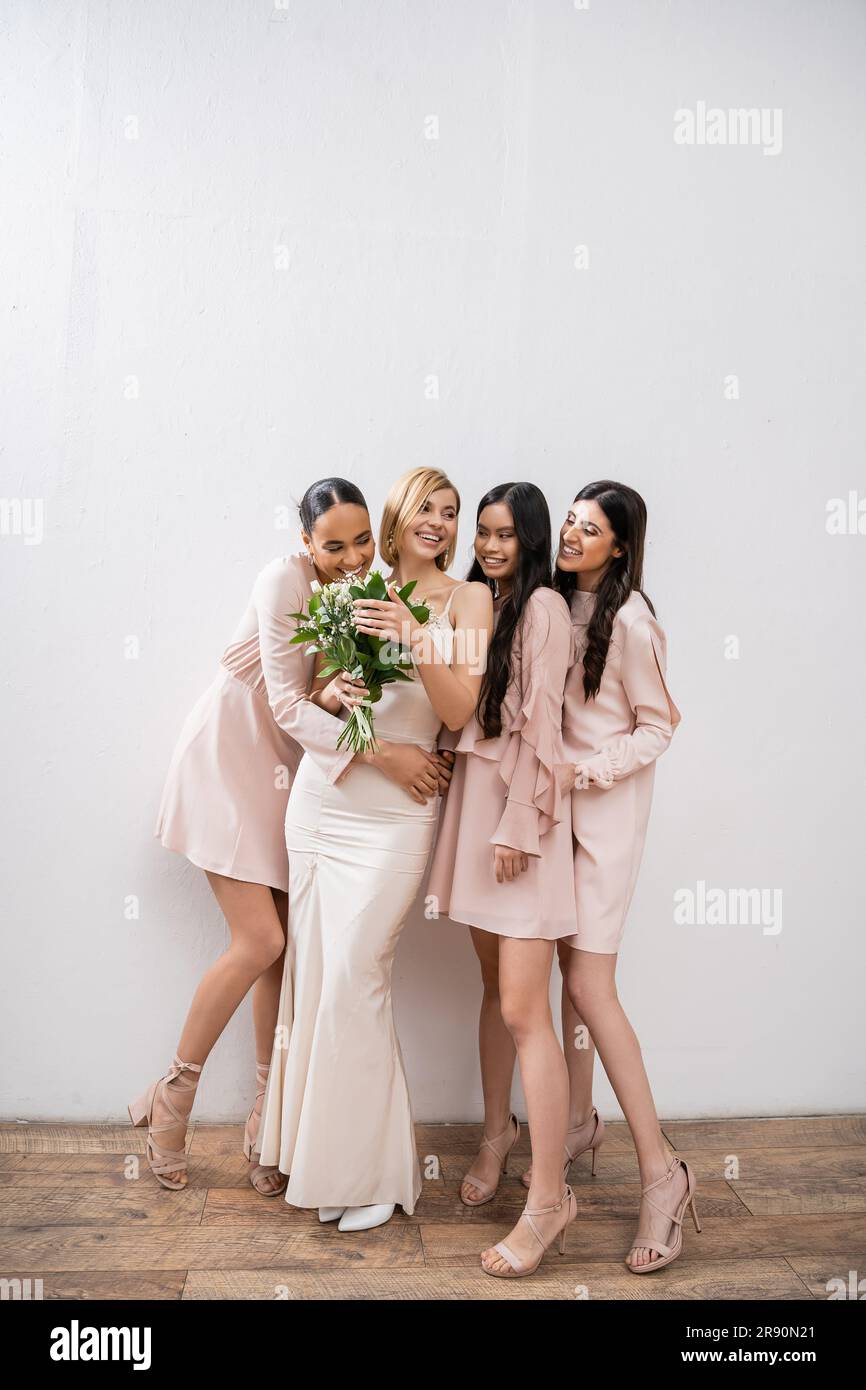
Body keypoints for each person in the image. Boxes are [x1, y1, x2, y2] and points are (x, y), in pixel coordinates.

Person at [254, 466, 493, 1231]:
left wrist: (418, 636)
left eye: (452, 513)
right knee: (321, 981)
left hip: (398, 815)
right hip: (324, 804)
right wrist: (331, 696)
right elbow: (322, 692)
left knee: (359, 975)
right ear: (397, 515)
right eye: (428, 507)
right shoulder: (352, 587)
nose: (441, 522)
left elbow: (462, 708)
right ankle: (326, 1164)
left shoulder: (469, 600)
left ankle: (382, 1176)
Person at [131, 479, 379, 1194]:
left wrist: (338, 694)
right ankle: (173, 1097)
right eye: (333, 544)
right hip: (227, 762)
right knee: (260, 941)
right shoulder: (281, 580)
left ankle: (267, 1117)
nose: (352, 555)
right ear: (306, 541)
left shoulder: (353, 593)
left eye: (361, 540)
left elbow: (315, 696)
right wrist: (361, 738)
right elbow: (283, 698)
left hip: (280, 771)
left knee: (284, 949)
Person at [427, 482, 578, 1277]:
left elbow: (545, 724)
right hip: (476, 811)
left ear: (532, 539)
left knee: (527, 1010)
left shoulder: (546, 607)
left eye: (505, 535)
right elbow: (465, 707)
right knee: (495, 988)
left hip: (523, 825)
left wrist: (520, 821)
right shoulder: (481, 602)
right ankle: (497, 1132)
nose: (488, 546)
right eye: (482, 533)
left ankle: (549, 1200)